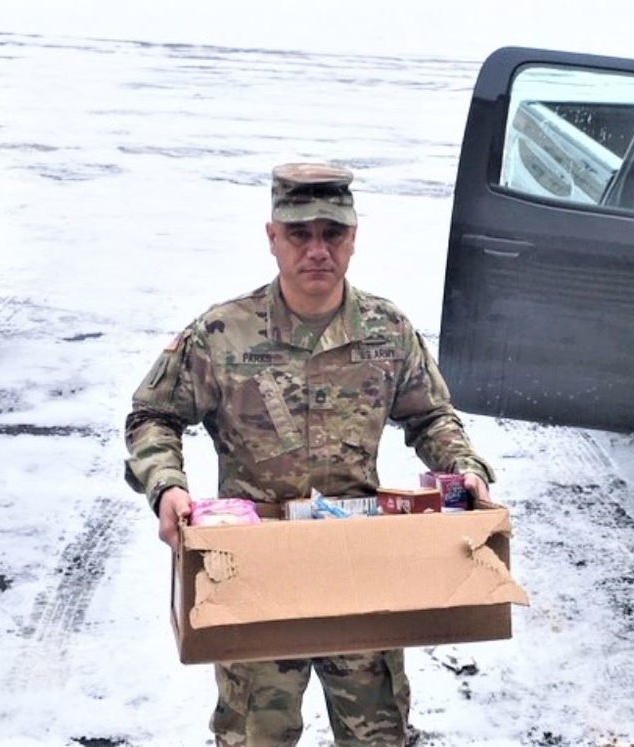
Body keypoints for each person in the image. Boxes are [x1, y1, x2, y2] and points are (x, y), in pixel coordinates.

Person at [123, 162, 495, 747]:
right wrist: (167, 484)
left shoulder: (387, 331)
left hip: (360, 570)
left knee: (379, 736)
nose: (316, 250)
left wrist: (464, 470)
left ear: (353, 237)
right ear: (273, 237)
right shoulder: (225, 335)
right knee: (254, 737)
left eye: (332, 233)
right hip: (257, 573)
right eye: (299, 234)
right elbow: (153, 415)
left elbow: (430, 416)